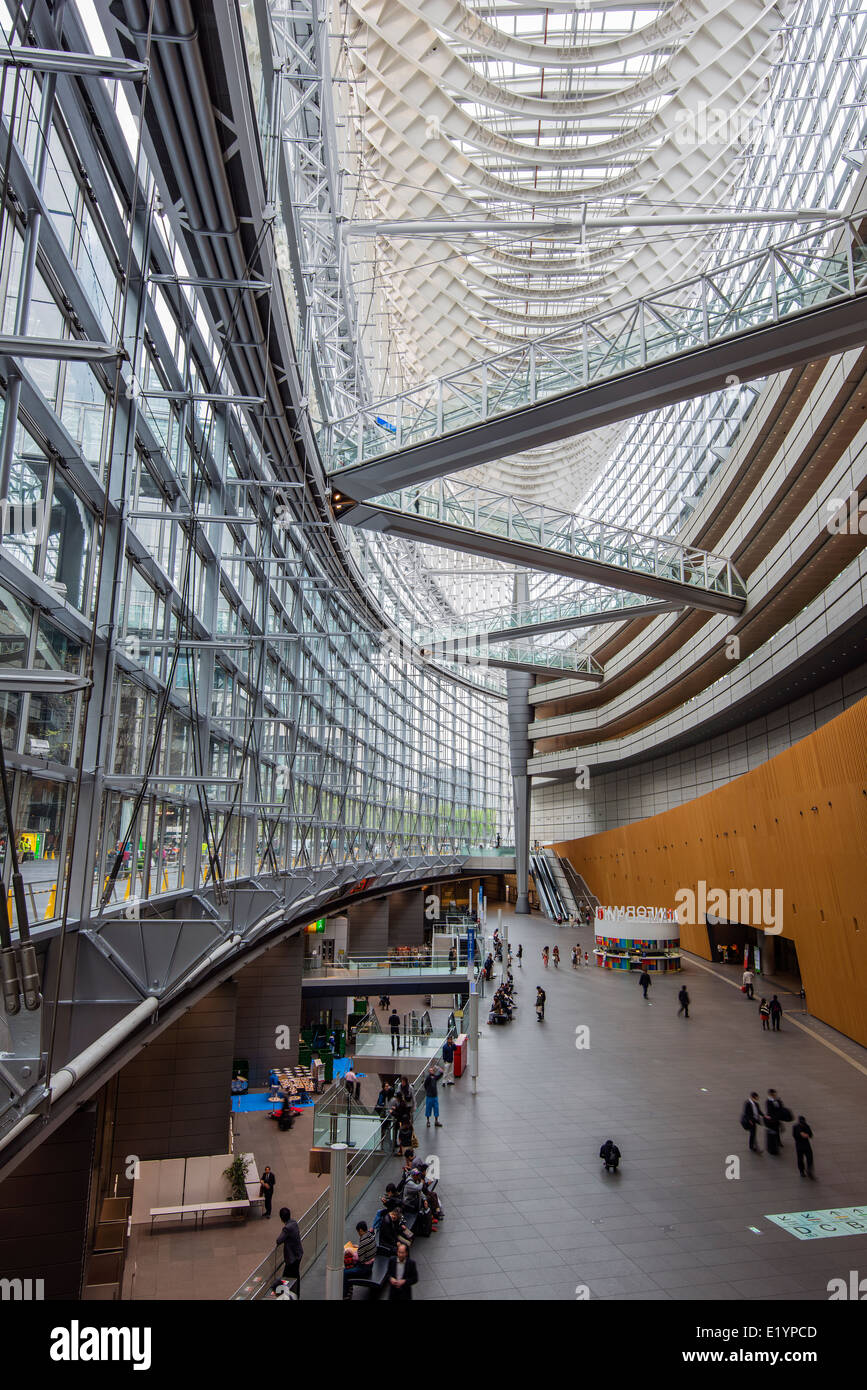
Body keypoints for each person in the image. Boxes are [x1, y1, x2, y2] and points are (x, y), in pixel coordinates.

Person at [343, 1220, 377, 1298]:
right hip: (370, 1265)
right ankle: (349, 1289)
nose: (358, 1233)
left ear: (361, 1230)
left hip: (364, 1269)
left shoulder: (363, 1241)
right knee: (349, 1269)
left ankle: (345, 1294)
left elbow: (359, 1259)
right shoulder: (370, 1236)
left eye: (358, 1231)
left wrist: (351, 1251)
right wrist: (358, 1247)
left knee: (344, 1272)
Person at [276, 1206, 303, 1297]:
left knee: (286, 1277)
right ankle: (296, 1295)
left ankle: (287, 1295)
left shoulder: (287, 1228)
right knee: (295, 1275)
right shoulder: (294, 1223)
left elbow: (279, 1240)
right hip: (298, 1254)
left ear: (281, 1218)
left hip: (292, 1258)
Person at [423, 1063, 444, 1128]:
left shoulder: (434, 1077)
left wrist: (438, 1068)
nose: (431, 1071)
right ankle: (428, 1121)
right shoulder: (428, 1077)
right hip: (429, 1096)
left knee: (436, 1109)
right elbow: (425, 1085)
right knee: (428, 1109)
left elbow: (441, 1074)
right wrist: (428, 1091)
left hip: (434, 1096)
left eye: (432, 1070)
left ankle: (436, 1121)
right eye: (430, 1070)